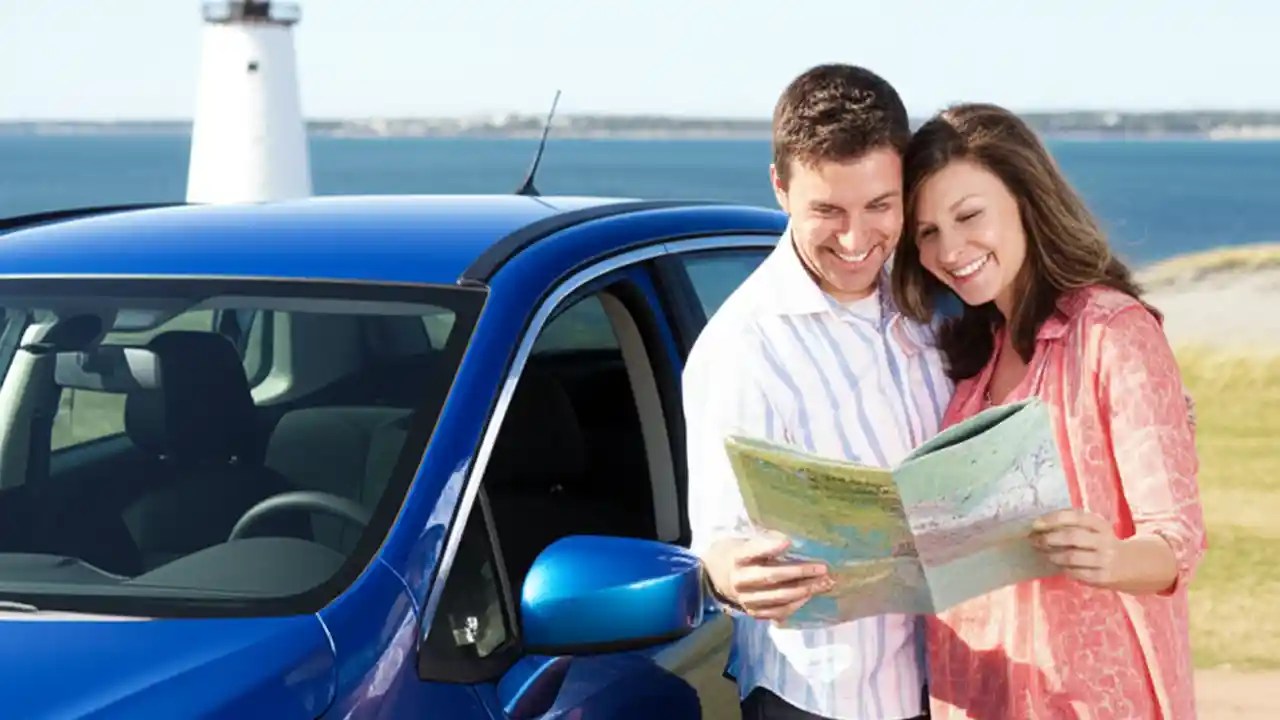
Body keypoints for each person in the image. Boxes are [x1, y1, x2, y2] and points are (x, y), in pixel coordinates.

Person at [891, 102, 1207, 719]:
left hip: (1090, 699)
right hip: (980, 693)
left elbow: (1177, 539)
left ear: (1026, 201)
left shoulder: (1114, 333)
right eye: (927, 232)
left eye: (969, 215)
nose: (950, 249)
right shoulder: (970, 357)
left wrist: (1113, 558)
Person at [685, 63, 950, 720]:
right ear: (780, 187)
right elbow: (718, 541)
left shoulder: (937, 302)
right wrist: (730, 573)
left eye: (879, 207)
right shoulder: (743, 347)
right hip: (825, 700)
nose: (858, 241)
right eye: (827, 210)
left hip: (955, 681)